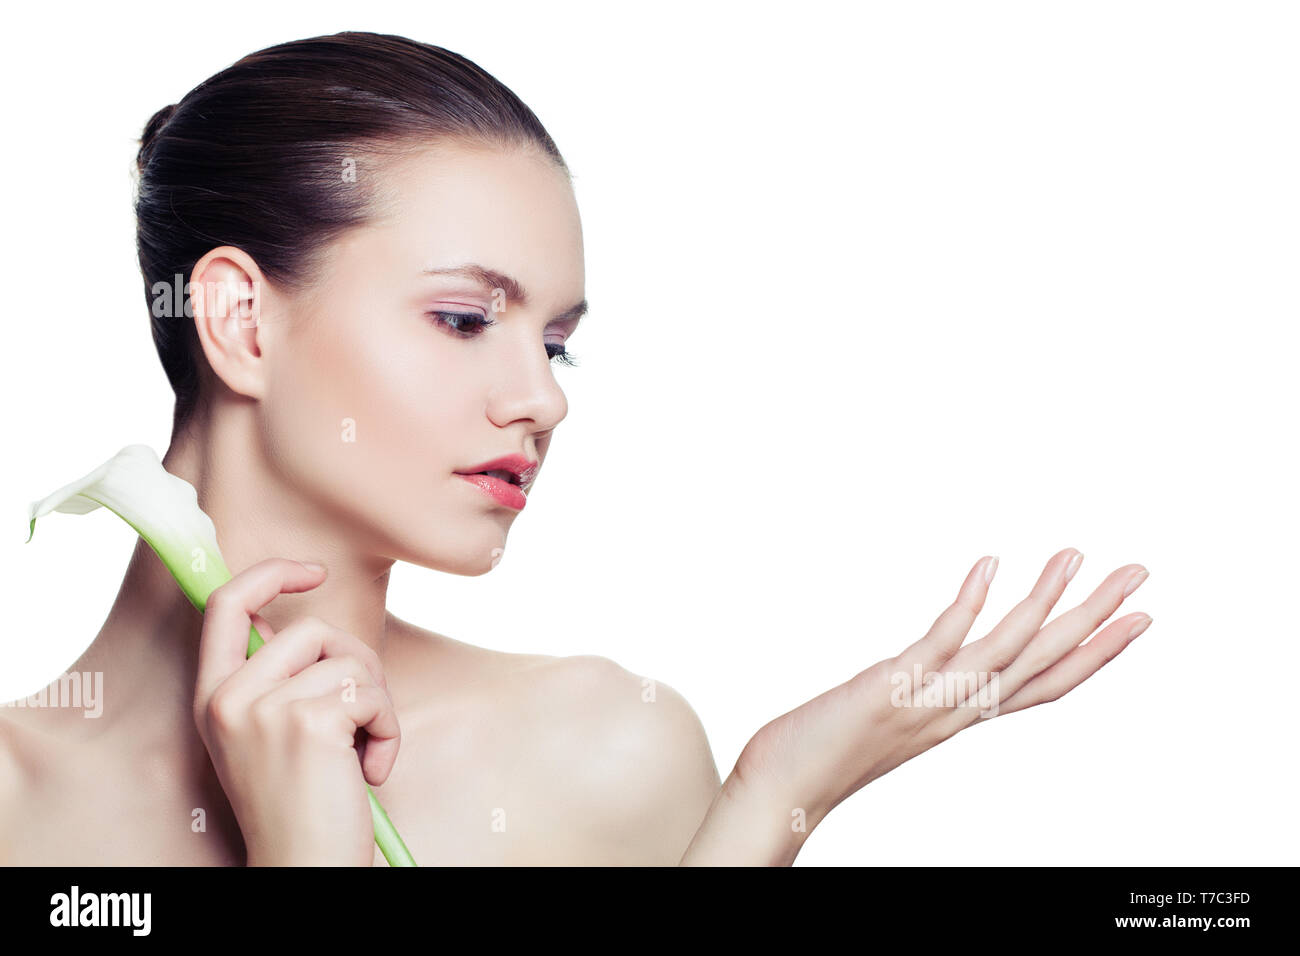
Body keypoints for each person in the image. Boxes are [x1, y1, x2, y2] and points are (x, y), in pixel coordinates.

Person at [0, 31, 1151, 866]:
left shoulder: (601, 750)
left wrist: (773, 795)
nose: (542, 401)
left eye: (557, 343)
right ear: (242, 322)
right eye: (463, 319)